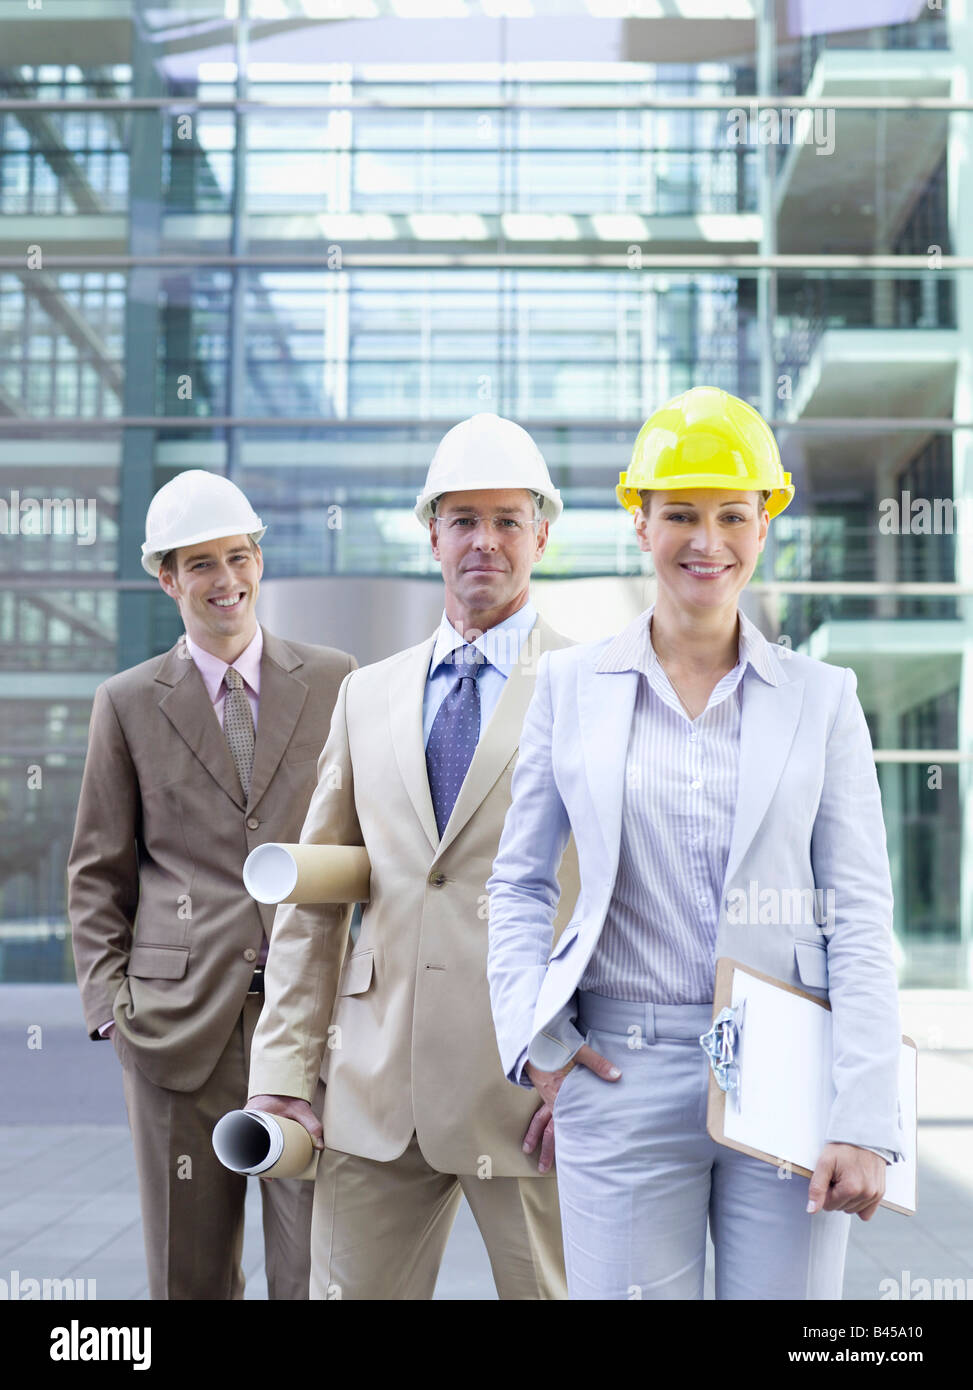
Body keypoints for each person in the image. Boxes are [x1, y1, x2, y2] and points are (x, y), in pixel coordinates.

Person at [487, 387, 903, 1301]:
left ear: (764, 528)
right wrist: (535, 1040)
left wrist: (865, 1114)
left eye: (730, 515)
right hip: (619, 1067)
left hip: (790, 1072)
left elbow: (859, 914)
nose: (704, 540)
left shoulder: (821, 699)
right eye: (678, 513)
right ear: (641, 524)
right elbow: (516, 884)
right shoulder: (567, 686)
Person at [246, 413, 577, 1300]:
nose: (484, 541)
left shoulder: (594, 686)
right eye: (462, 519)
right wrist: (282, 1074)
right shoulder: (366, 695)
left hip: (530, 1094)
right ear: (431, 532)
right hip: (373, 1091)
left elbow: (624, 897)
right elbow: (316, 898)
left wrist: (585, 1066)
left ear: (541, 533)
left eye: (507, 520)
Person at [68, 470, 355, 1300]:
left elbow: (372, 836)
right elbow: (97, 868)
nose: (225, 581)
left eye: (238, 557)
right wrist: (109, 1011)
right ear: (167, 578)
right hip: (172, 1028)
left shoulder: (337, 680)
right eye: (200, 564)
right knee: (185, 1275)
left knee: (315, 1269)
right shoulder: (124, 703)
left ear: (259, 561)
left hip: (312, 1021)